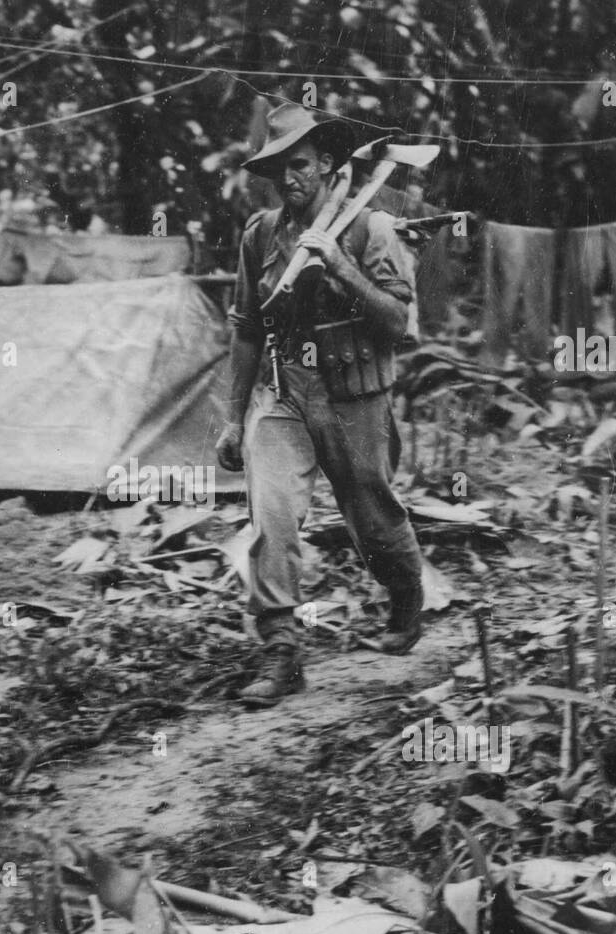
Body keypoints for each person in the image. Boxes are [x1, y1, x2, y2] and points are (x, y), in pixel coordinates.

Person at [215, 102, 425, 707]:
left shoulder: (370, 228)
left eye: (300, 165)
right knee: (273, 515)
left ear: (328, 163)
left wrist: (340, 267)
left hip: (355, 393)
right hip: (286, 394)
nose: (289, 179)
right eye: (278, 169)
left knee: (373, 517)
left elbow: (396, 323)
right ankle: (281, 648)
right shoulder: (261, 235)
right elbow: (247, 327)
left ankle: (405, 594)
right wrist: (234, 417)